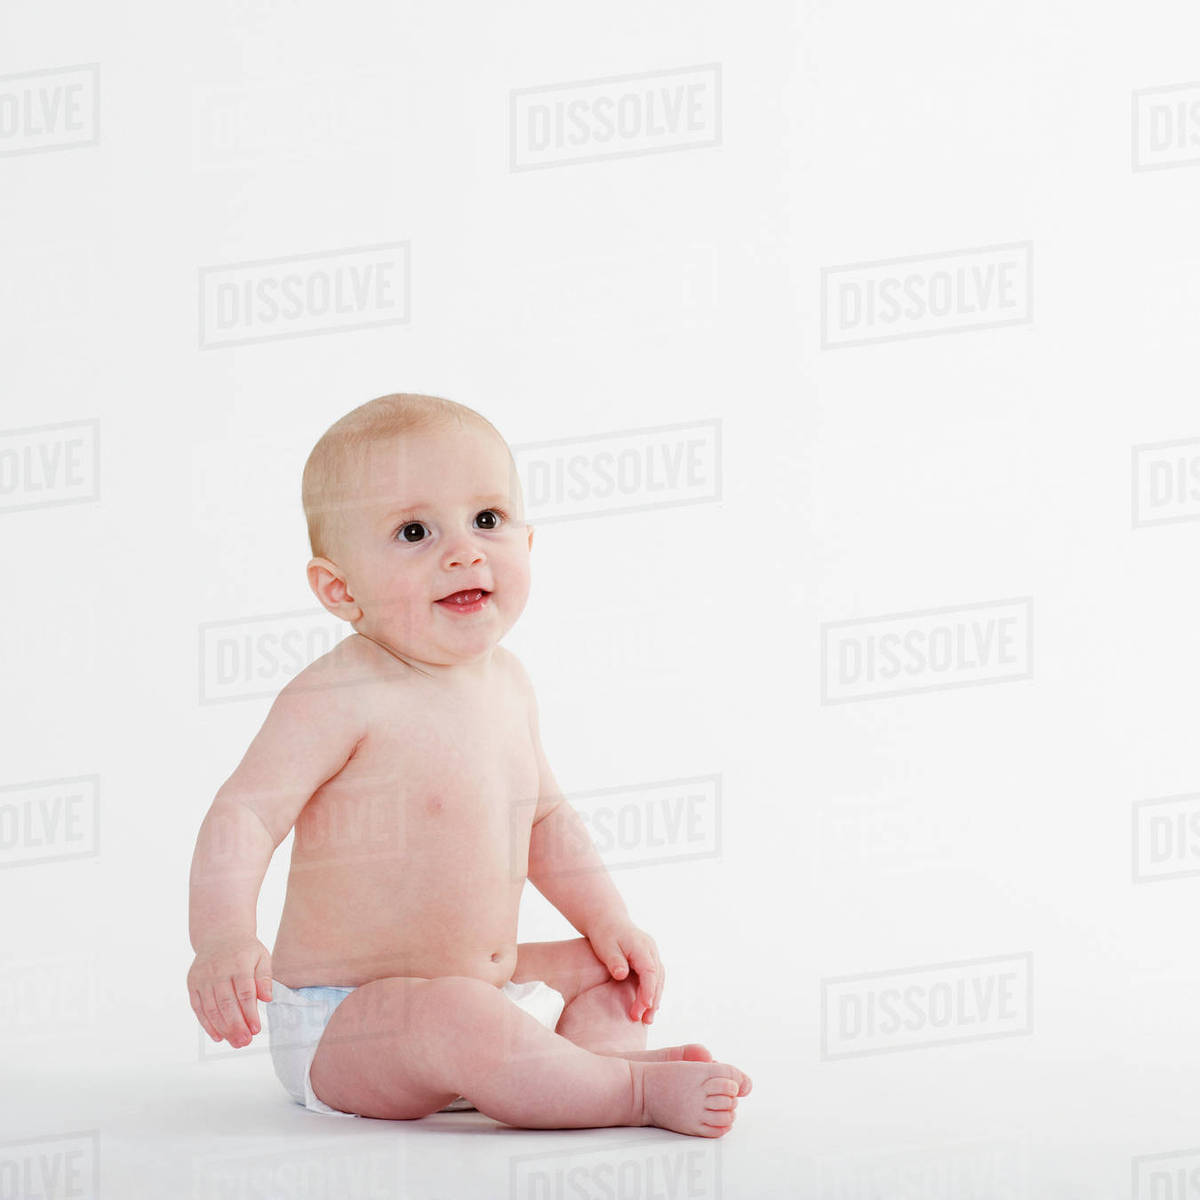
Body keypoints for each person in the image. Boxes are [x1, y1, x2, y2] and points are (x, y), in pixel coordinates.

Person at [187, 392, 750, 1135]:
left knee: (610, 975)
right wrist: (223, 938)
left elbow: (545, 817)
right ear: (339, 589)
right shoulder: (341, 692)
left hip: (487, 990)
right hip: (348, 1024)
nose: (463, 550)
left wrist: (608, 919)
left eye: (487, 520)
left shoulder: (508, 682)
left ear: (527, 538)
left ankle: (584, 1067)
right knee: (453, 1012)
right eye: (414, 531)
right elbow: (245, 813)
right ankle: (627, 1095)